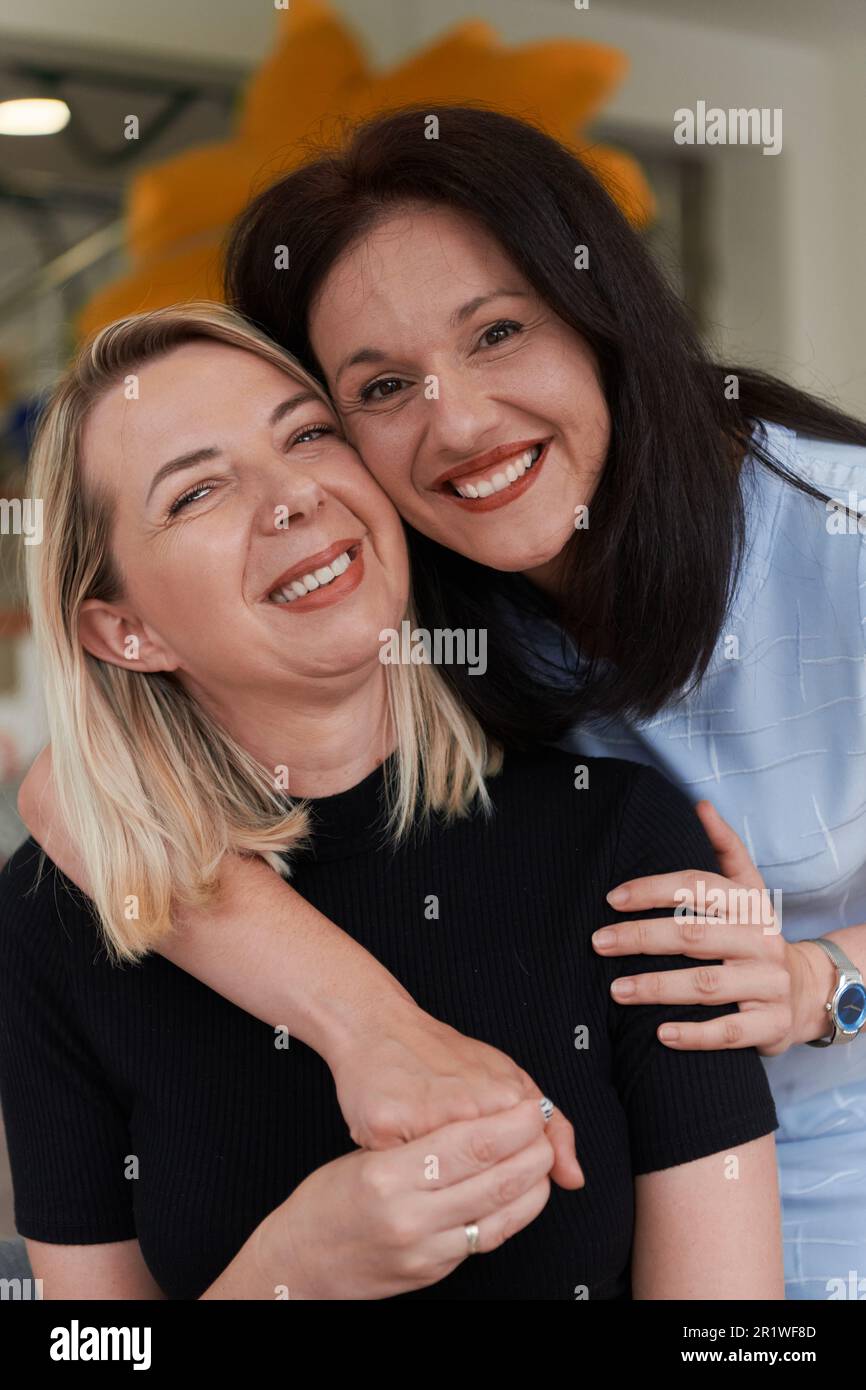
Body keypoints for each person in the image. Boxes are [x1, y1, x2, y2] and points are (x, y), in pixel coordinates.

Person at [2, 304, 782, 1300]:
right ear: (124, 630)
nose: (292, 496)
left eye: (306, 434)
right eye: (198, 489)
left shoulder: (619, 836)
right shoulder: (50, 920)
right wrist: (293, 1277)